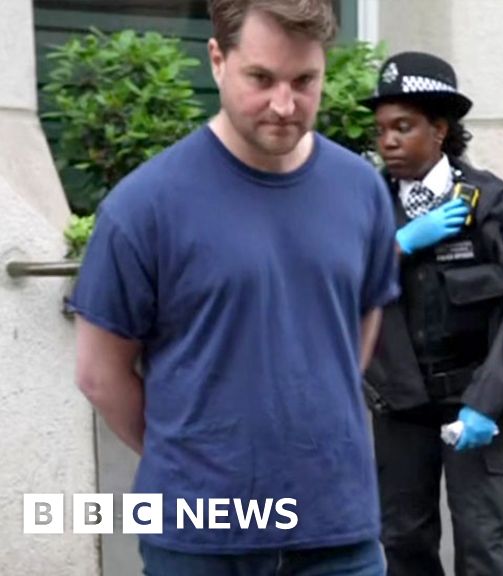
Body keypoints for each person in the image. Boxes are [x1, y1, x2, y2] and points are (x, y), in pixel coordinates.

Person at [70, 0, 398, 573]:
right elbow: (99, 374)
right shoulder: (144, 206)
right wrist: (194, 455)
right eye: (261, 78)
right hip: (199, 542)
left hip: (337, 530)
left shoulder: (362, 191)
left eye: (304, 80)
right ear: (218, 60)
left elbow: (363, 323)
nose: (284, 104)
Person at [360, 52, 503, 576]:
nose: (388, 141)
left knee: (481, 543)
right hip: (400, 406)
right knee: (403, 541)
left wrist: (489, 401)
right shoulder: (366, 206)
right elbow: (333, 286)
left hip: (471, 403)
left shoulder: (488, 202)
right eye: (382, 129)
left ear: (439, 130)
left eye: (404, 127)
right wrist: (396, 245)